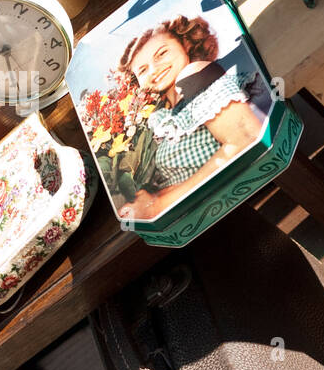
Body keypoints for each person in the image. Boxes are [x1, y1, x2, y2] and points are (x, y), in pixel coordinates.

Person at [113, 15, 265, 220]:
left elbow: (246, 138)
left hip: (241, 204)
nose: (153, 69)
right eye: (142, 70)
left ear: (185, 44)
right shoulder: (165, 115)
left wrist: (158, 205)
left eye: (161, 53)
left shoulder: (197, 76)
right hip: (209, 211)